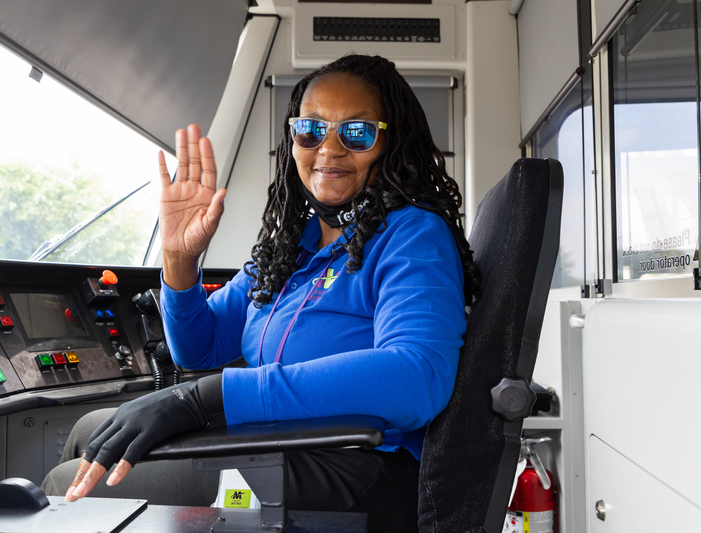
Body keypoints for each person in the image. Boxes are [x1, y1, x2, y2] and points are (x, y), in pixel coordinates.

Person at [41, 54, 479, 532]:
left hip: (357, 468)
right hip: (283, 445)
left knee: (67, 489)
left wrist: (205, 399)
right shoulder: (294, 245)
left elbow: (417, 378)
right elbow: (199, 346)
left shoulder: (412, 234)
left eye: (356, 132)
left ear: (389, 143)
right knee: (92, 434)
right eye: (310, 130)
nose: (328, 149)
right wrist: (179, 259)